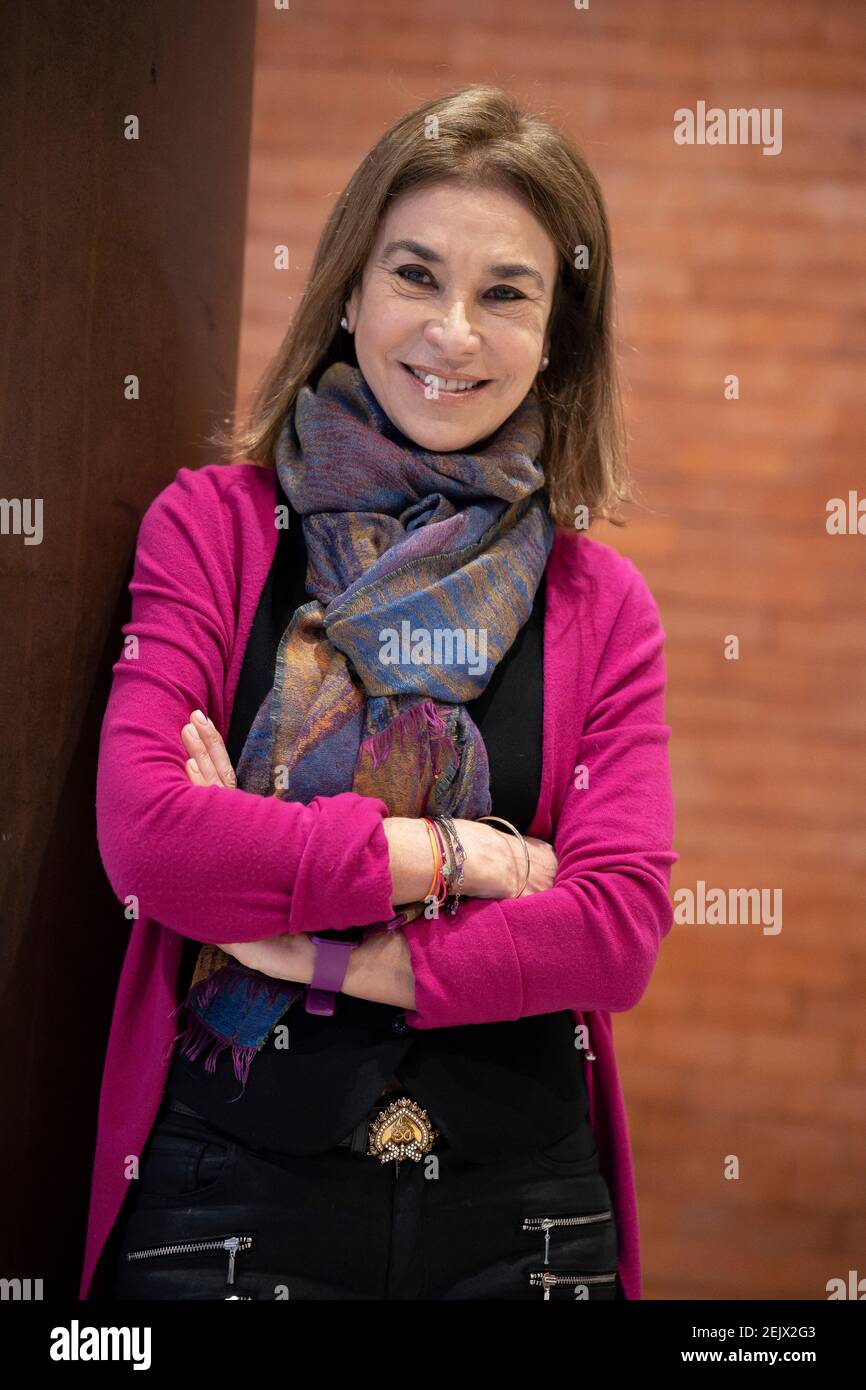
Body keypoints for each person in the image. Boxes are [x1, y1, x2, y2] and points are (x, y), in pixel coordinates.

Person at [81, 83, 677, 1301]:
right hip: (227, 1202)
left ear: (557, 335)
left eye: (504, 293)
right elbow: (150, 843)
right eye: (415, 275)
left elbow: (615, 932)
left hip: (527, 1220)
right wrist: (463, 856)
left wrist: (310, 948)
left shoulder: (601, 602)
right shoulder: (214, 530)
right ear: (349, 293)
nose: (451, 332)